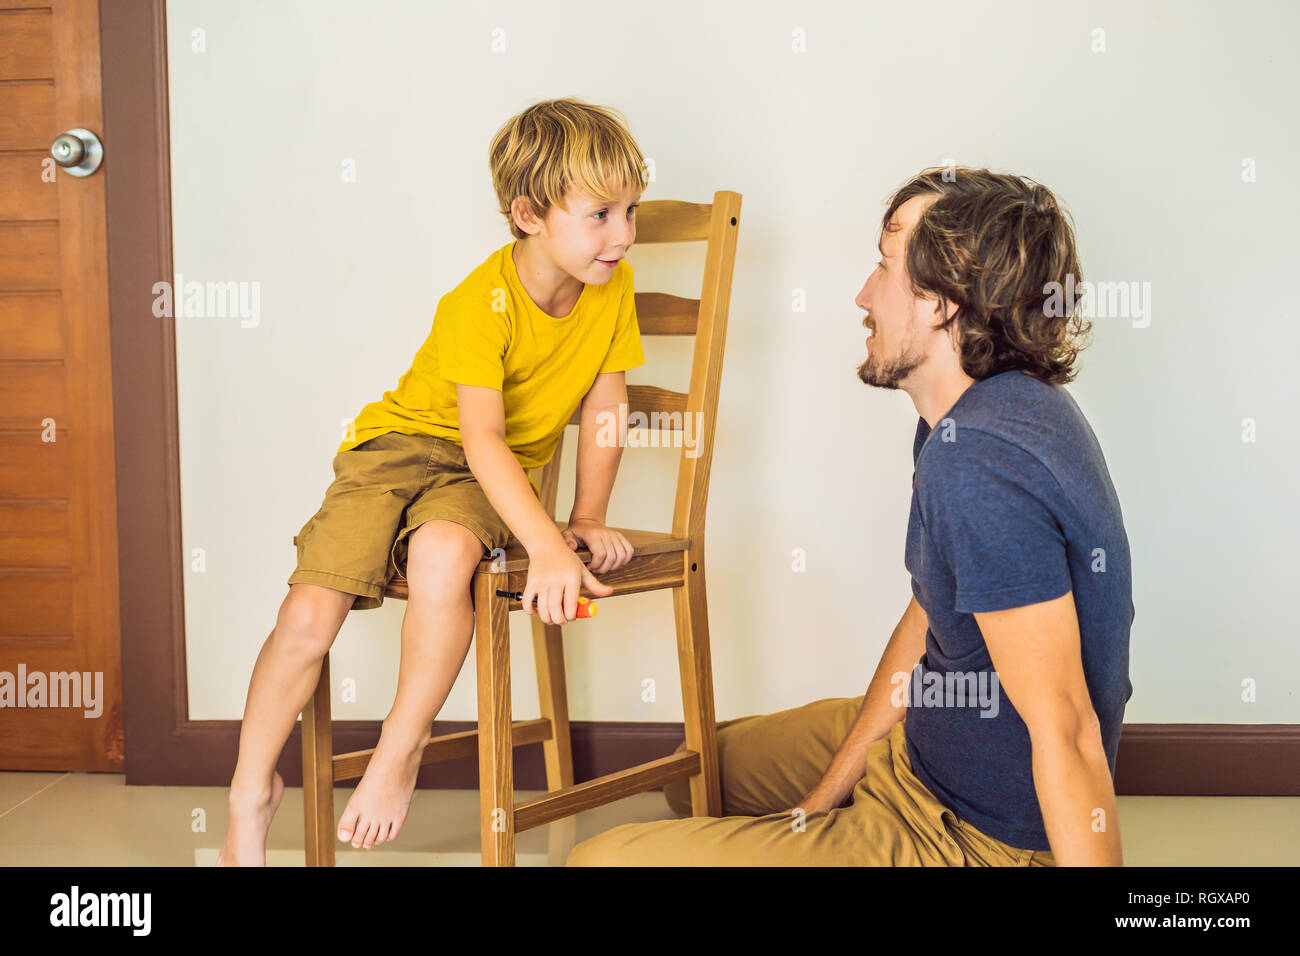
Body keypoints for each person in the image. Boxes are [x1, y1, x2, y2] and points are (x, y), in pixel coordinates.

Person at [567, 167, 1135, 866]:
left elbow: (1070, 730)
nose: (863, 295)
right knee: (703, 771)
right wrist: (826, 794)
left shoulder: (983, 465)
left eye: (885, 267)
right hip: (925, 749)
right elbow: (931, 613)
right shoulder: (966, 416)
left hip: (968, 835)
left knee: (599, 862)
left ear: (942, 302)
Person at [217, 98, 648, 865]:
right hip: (400, 448)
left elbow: (606, 403)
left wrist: (583, 513)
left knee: (445, 556)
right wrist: (545, 547)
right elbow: (477, 435)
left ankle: (402, 744)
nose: (623, 234)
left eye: (631, 210)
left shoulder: (614, 288)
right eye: (600, 214)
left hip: (488, 476)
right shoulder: (477, 303)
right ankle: (250, 792)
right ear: (528, 215)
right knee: (310, 615)